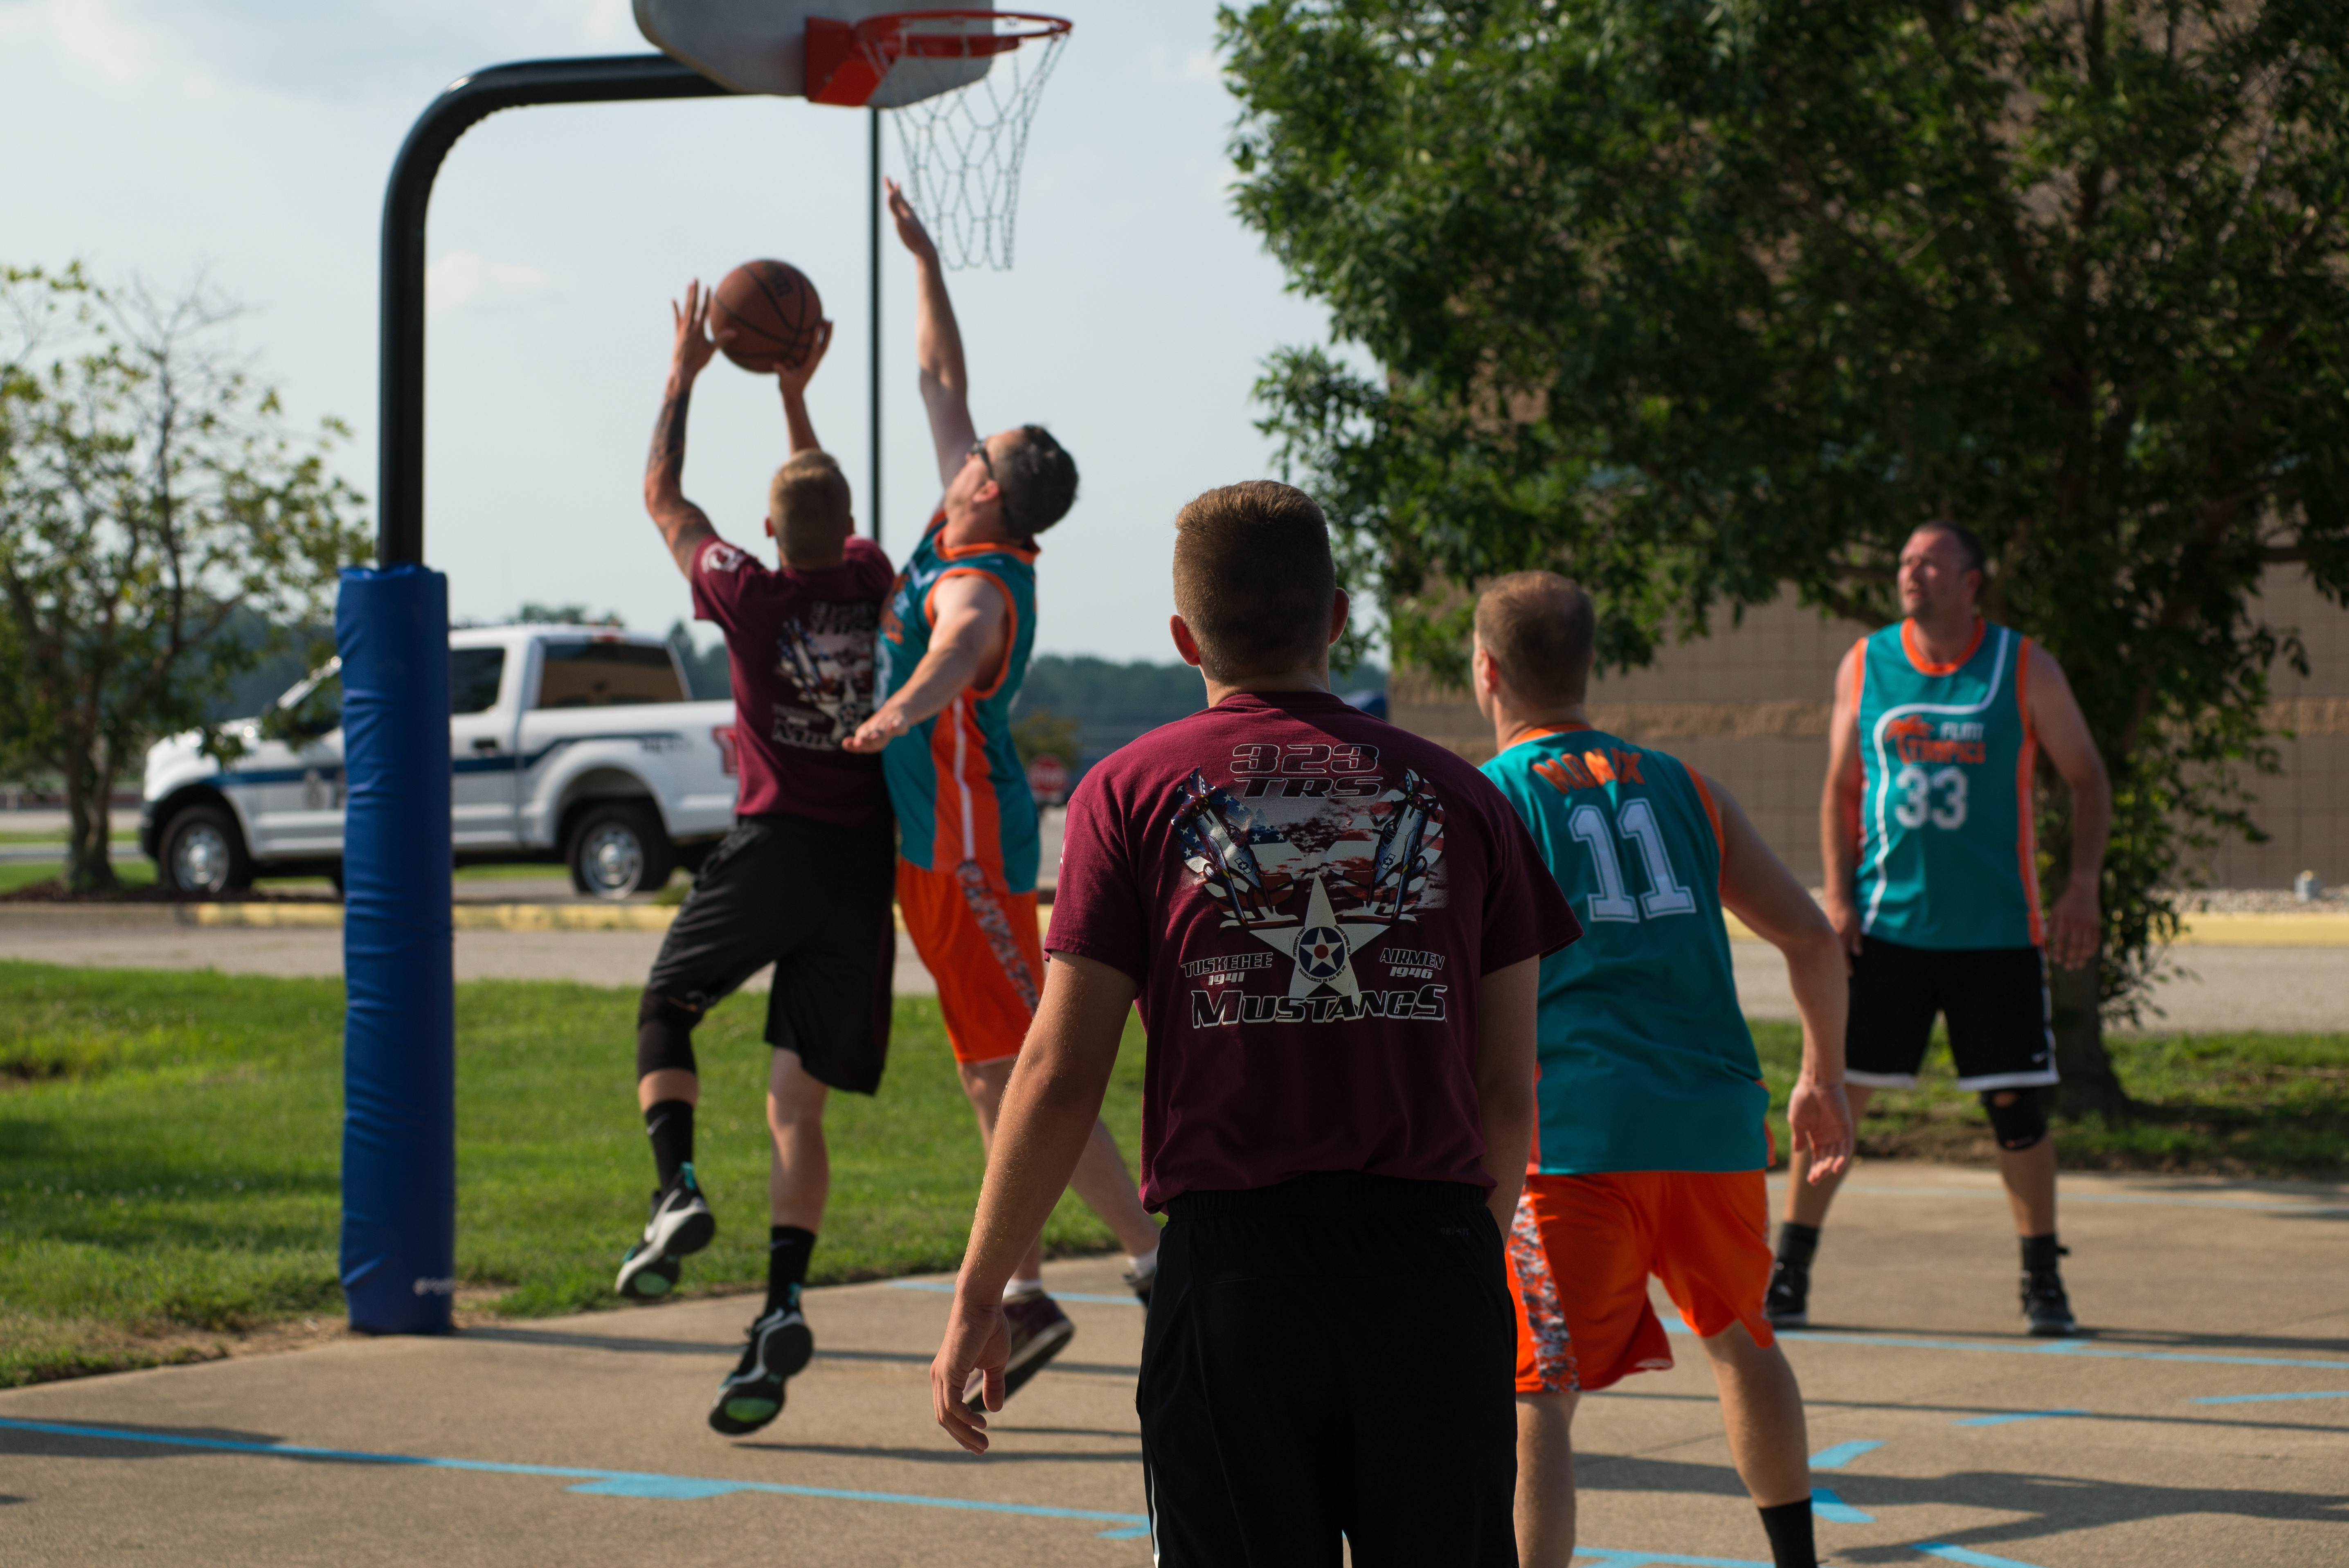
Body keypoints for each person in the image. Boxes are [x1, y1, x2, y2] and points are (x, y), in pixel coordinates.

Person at [927, 481, 1582, 1564]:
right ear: (1335, 618)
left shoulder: (1125, 792)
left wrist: (978, 1293)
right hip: (1430, 1258)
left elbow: (1053, 1073)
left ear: (1183, 636)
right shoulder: (1467, 800)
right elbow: (1508, 1084)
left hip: (1235, 1277)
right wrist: (1457, 1247)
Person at [843, 181, 1161, 1400]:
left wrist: (896, 710)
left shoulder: (977, 580)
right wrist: (924, 261)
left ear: (987, 487)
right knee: (989, 1073)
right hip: (936, 852)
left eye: (975, 451)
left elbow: (951, 651)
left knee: (1031, 1066)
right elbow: (937, 380)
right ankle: (1024, 1298)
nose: (960, 445)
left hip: (970, 849)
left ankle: (1150, 1260)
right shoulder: (961, 518)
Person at [1472, 571, 1856, 1568]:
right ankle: (1796, 1561)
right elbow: (1814, 940)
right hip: (1712, 1124)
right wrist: (1824, 1075)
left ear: (1487, 670)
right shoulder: (1687, 788)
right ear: (1589, 665)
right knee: (1743, 1337)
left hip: (1574, 1136)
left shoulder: (1490, 801)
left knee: (1538, 1397)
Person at [621, 279, 900, 1438]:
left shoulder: (745, 589)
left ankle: (676, 1187)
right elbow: (820, 505)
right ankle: (781, 1301)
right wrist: (797, 399)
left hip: (774, 845)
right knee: (799, 1108)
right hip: (859, 874)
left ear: (769, 534)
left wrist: (685, 372)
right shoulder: (872, 575)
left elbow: (661, 496)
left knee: (664, 1007)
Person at [1768, 522, 2112, 1338]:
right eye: (1905, 562)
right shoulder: (1867, 662)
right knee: (1834, 1097)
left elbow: (2088, 777)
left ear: (1972, 583)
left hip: (1995, 933)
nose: (1912, 573)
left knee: (2016, 1110)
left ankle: (2042, 1283)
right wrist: (1839, 896)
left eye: (1931, 562)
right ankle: (1789, 1273)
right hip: (1889, 927)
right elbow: (1841, 788)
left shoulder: (2022, 666)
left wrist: (2085, 884)